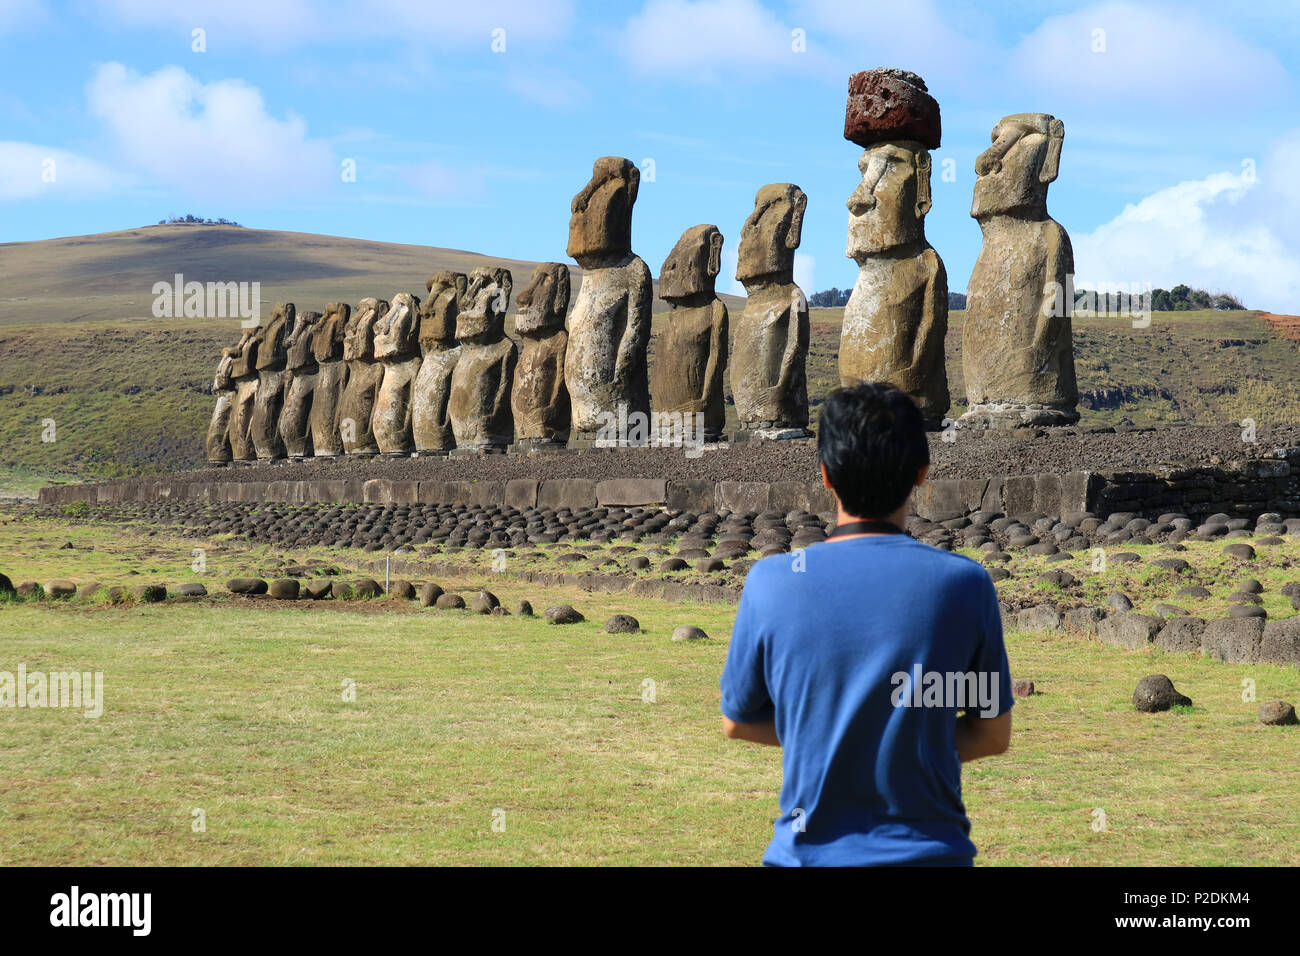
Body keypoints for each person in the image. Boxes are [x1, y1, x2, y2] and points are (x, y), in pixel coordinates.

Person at [719, 382, 1013, 866]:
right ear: (922, 473)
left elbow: (737, 721)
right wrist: (908, 741)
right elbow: (991, 735)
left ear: (825, 475)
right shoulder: (965, 584)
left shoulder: (772, 581)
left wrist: (828, 735)